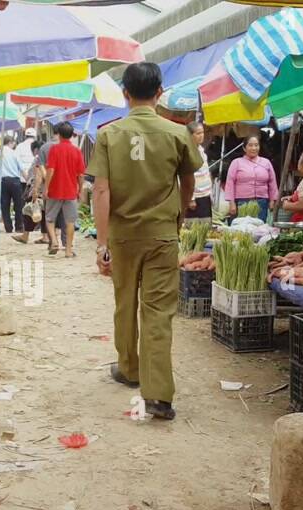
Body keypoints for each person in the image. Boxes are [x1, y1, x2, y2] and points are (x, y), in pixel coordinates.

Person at [87, 62, 201, 422]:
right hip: (161, 235)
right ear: (160, 93)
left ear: (125, 94)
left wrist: (101, 242)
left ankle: (129, 368)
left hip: (122, 236)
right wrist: (179, 215)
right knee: (158, 312)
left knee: (125, 303)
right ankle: (159, 396)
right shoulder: (178, 133)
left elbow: (101, 189)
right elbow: (188, 183)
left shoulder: (108, 134)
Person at [44, 121, 85, 257]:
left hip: (55, 190)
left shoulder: (54, 149)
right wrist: (80, 190)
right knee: (70, 222)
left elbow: (50, 170)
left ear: (59, 134)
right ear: (72, 135)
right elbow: (81, 174)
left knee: (50, 218)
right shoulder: (77, 151)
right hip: (71, 191)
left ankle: (54, 241)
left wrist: (46, 188)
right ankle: (68, 250)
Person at [224, 135, 278, 222]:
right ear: (244, 148)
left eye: (256, 145)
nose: (254, 148)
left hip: (262, 202)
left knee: (259, 228)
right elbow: (230, 183)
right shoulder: (236, 162)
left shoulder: (266, 162)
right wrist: (231, 203)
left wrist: (273, 200)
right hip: (242, 202)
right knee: (242, 229)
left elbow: (272, 183)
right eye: (250, 145)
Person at [0, 136, 25, 234]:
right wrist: (28, 181)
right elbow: (22, 169)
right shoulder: (14, 153)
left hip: (2, 181)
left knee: (4, 206)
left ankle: (8, 228)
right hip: (15, 181)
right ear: (11, 142)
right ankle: (19, 226)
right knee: (19, 204)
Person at [13, 140, 45, 243]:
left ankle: (25, 235)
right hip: (44, 190)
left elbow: (37, 176)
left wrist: (35, 191)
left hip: (37, 189)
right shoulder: (46, 158)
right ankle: (45, 236)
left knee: (28, 212)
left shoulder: (38, 159)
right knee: (43, 213)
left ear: (35, 149)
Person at [186, 121, 212, 220]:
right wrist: (190, 199)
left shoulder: (201, 150)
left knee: (206, 226)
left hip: (205, 195)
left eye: (202, 132)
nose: (201, 136)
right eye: (198, 133)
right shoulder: (187, 152)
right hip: (195, 198)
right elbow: (184, 177)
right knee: (194, 229)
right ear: (190, 135)